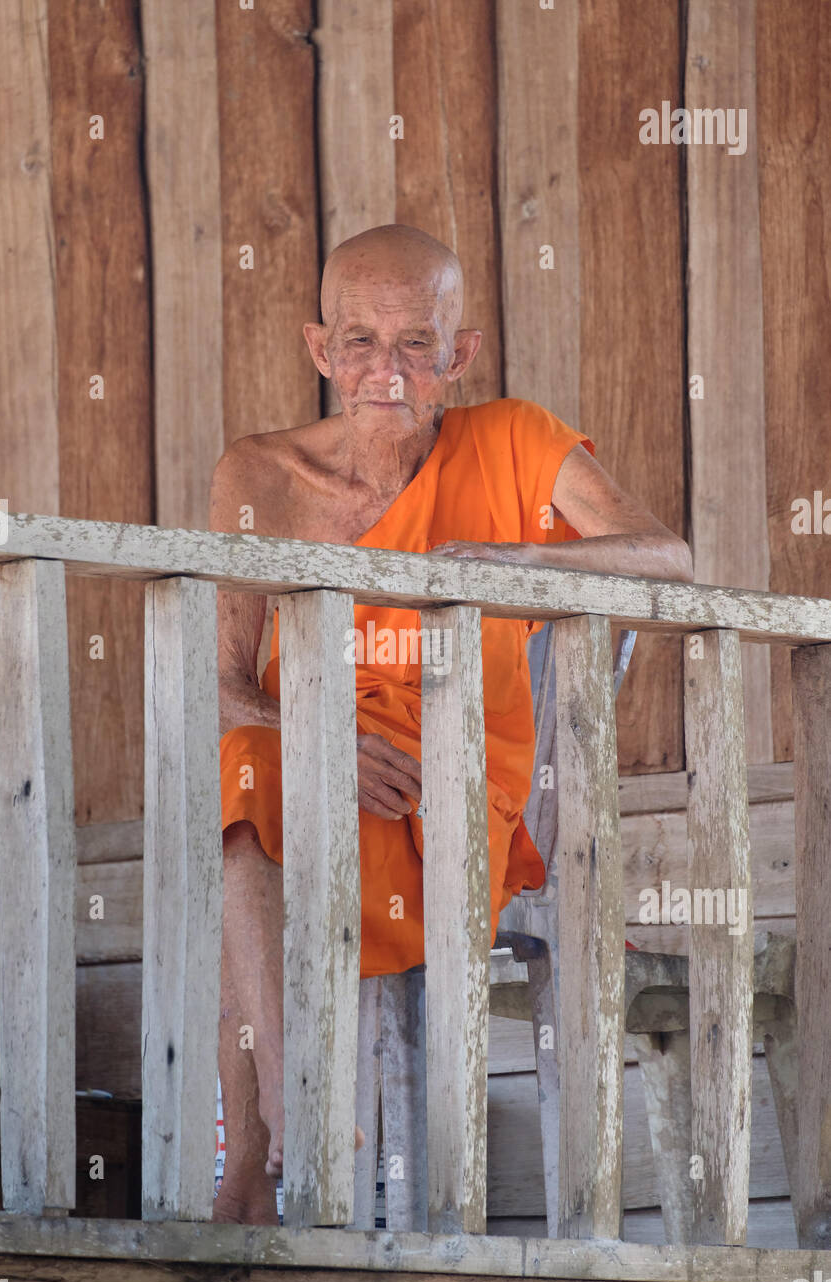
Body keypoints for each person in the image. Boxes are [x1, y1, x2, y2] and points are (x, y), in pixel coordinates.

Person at [209, 223, 693, 1225]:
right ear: (316, 349)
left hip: (449, 771)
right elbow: (217, 680)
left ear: (456, 355)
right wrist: (322, 746)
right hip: (310, 761)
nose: (385, 371)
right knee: (247, 770)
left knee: (249, 800)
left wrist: (510, 565)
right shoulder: (257, 476)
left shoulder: (511, 441)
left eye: (415, 345)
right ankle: (287, 1111)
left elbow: (664, 556)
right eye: (357, 342)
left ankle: (253, 1171)